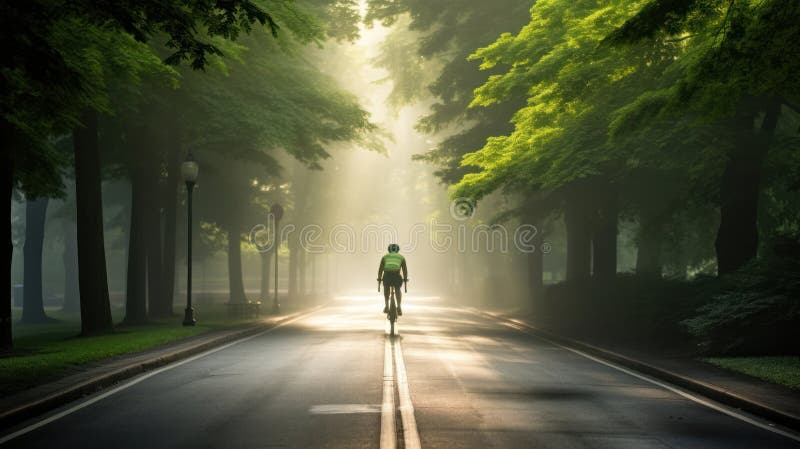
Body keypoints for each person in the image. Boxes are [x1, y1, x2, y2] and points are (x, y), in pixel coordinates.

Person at [378, 243, 408, 315]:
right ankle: (399, 307)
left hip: (387, 276)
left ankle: (387, 306)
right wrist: (405, 278)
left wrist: (379, 278)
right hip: (396, 276)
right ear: (397, 250)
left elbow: (380, 270)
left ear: (389, 250)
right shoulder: (401, 257)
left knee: (386, 288)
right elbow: (404, 271)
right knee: (397, 289)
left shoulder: (385, 257)